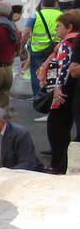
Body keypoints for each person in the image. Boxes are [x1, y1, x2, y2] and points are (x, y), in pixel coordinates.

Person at [37, 10, 80, 173]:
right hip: (73, 91)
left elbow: (64, 68)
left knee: (56, 129)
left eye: (59, 26)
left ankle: (58, 165)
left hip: (63, 92)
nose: (56, 29)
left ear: (69, 27)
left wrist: (57, 88)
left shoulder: (67, 43)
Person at [26, 1, 65, 103]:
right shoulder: (62, 15)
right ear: (56, 5)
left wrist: (22, 47)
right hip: (55, 48)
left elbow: (26, 31)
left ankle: (38, 97)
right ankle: (50, 96)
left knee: (37, 73)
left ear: (42, 5)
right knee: (52, 72)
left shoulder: (36, 15)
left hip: (37, 49)